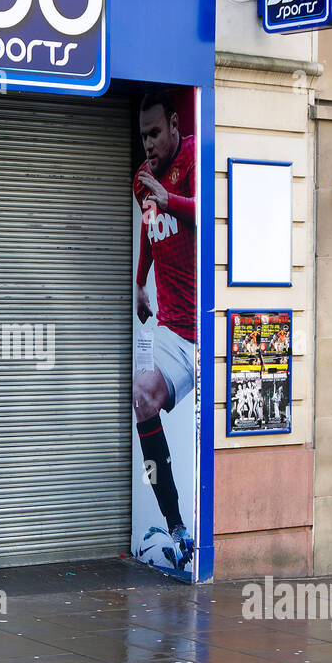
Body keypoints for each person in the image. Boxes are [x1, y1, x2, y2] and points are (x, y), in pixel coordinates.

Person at [133, 88, 196, 570]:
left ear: (174, 125)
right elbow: (150, 233)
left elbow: (210, 213)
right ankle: (177, 528)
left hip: (212, 326)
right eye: (143, 136)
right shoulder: (143, 181)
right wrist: (139, 283)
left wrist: (168, 197)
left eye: (155, 133)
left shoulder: (196, 155)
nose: (149, 144)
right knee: (143, 396)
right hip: (174, 328)